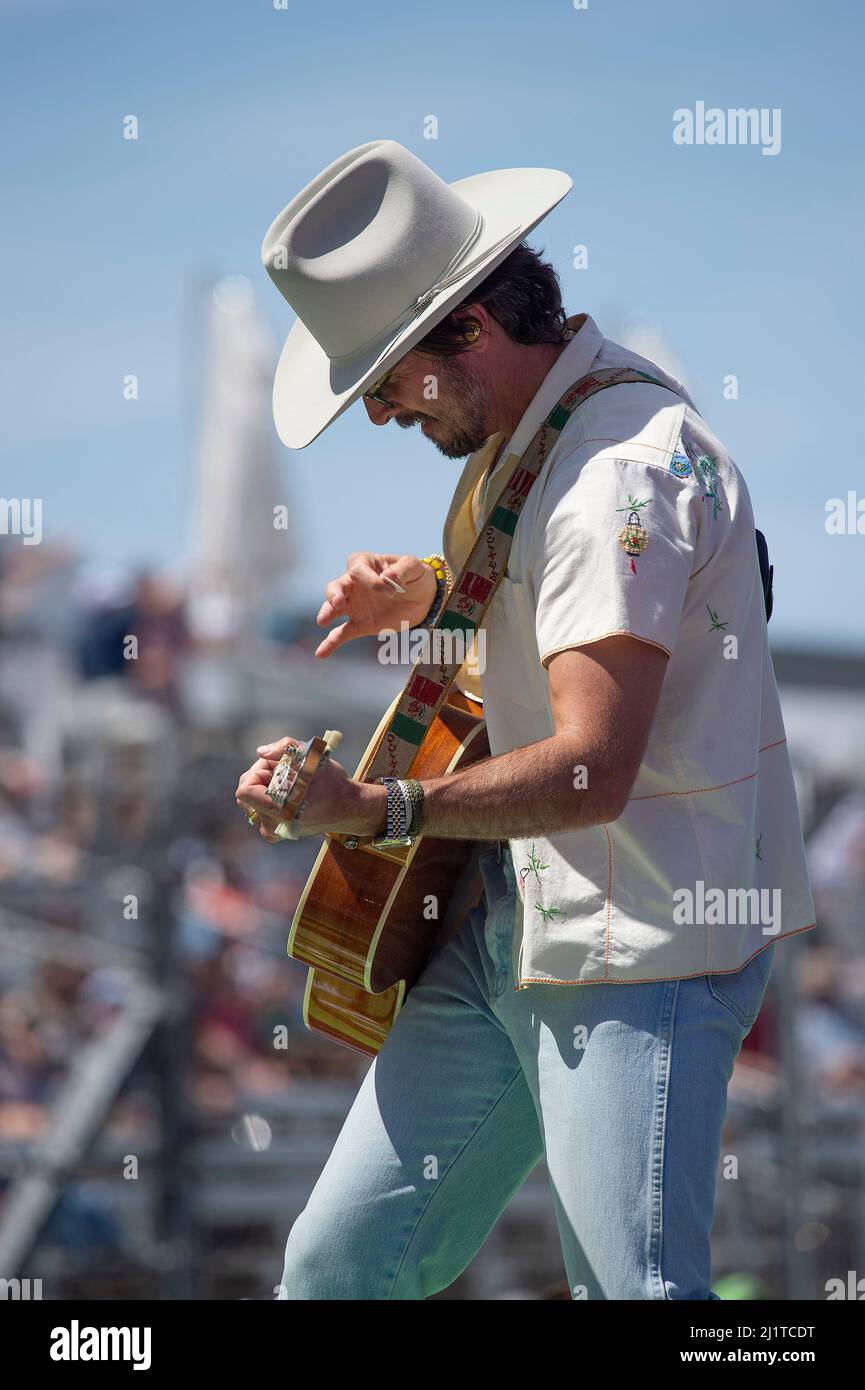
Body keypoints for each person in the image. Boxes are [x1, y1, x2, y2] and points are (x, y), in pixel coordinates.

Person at [235, 140, 816, 1299]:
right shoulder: (560, 428)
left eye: (385, 379)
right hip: (523, 916)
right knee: (334, 1270)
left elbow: (592, 769)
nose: (380, 409)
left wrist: (374, 806)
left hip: (635, 944)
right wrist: (438, 603)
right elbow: (576, 631)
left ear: (466, 332)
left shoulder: (611, 476)